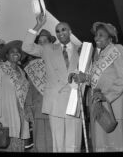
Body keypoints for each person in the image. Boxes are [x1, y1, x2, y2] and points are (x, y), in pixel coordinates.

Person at [70, 22, 123, 152]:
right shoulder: (100, 55)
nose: (97, 38)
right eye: (96, 35)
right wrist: (84, 78)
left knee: (116, 142)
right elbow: (97, 79)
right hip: (99, 103)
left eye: (101, 35)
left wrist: (106, 96)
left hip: (116, 102)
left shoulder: (117, 49)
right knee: (102, 142)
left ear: (110, 38)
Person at [22, 13, 82, 152]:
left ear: (70, 31)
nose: (61, 33)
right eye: (58, 30)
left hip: (74, 100)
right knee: (58, 142)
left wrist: (84, 78)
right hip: (55, 101)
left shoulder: (81, 50)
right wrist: (38, 25)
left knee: (73, 143)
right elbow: (26, 47)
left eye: (64, 29)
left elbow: (88, 75)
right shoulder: (48, 48)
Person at [23, 29, 56, 152]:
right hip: (38, 107)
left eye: (45, 41)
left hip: (54, 107)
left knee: (54, 140)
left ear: (50, 43)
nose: (42, 44)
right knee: (39, 140)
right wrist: (28, 106)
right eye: (40, 42)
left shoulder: (57, 61)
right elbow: (29, 88)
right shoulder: (32, 65)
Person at [0, 40, 30, 152]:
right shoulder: (0, 68)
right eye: (12, 51)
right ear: (6, 55)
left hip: (20, 112)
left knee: (18, 140)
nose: (16, 53)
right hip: (5, 112)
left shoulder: (22, 71)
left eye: (18, 52)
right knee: (6, 140)